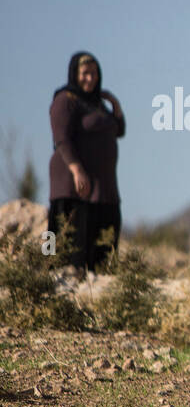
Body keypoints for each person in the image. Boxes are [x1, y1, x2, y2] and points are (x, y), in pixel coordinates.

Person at [48, 51, 125, 272]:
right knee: (62, 237)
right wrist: (77, 169)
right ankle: (47, 271)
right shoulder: (65, 100)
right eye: (84, 73)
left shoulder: (98, 105)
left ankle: (99, 279)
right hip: (72, 186)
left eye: (93, 74)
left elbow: (119, 130)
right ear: (75, 74)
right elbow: (60, 137)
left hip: (104, 187)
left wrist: (115, 105)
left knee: (105, 246)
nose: (89, 79)